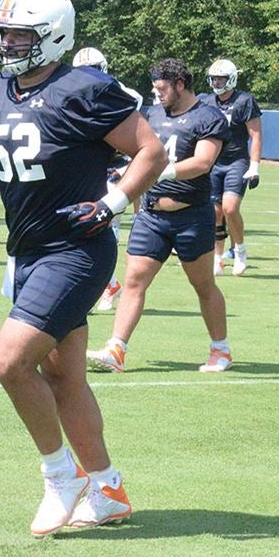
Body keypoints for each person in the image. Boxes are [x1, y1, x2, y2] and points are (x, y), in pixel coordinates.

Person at [0, 0, 166, 536]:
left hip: (77, 249)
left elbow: (151, 150)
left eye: (21, 33)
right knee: (63, 377)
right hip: (28, 250)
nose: (9, 43)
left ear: (53, 35)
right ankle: (107, 488)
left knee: (11, 359)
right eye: (5, 33)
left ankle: (60, 475)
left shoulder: (84, 89)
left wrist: (112, 204)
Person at [87, 58, 233, 374]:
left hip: (191, 215)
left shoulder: (208, 117)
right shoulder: (152, 114)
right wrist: (125, 171)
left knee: (203, 285)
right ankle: (116, 349)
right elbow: (139, 153)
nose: (158, 95)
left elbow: (203, 163)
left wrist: (161, 171)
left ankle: (220, 350)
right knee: (134, 280)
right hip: (152, 215)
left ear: (180, 84)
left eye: (163, 88)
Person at [72, 46, 144, 311]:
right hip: (87, 169)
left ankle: (100, 286)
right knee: (84, 227)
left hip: (116, 167)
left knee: (103, 226)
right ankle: (107, 285)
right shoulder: (68, 94)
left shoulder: (124, 96)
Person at [199, 58, 262, 276]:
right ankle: (217, 258)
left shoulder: (245, 101)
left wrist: (254, 165)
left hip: (237, 160)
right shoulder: (207, 102)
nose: (216, 82)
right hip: (214, 161)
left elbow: (255, 135)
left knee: (230, 208)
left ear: (231, 79)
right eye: (214, 78)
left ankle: (240, 250)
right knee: (215, 212)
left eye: (221, 78)